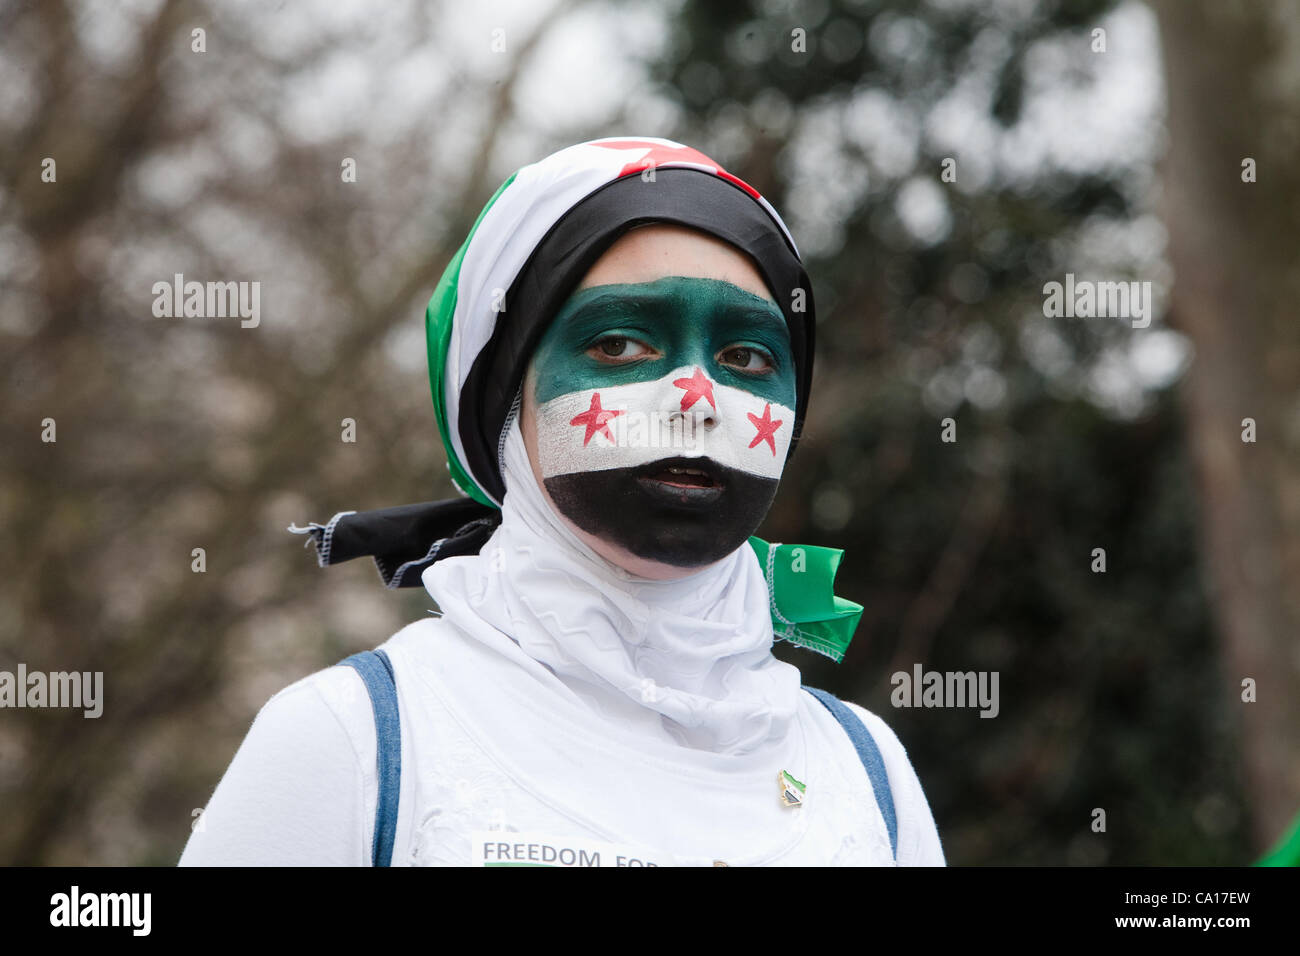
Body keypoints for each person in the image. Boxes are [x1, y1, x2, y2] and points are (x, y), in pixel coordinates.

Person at [179, 136, 945, 867]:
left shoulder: (867, 773)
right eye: (620, 344)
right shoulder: (354, 739)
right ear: (507, 397)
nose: (698, 398)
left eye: (747, 356)